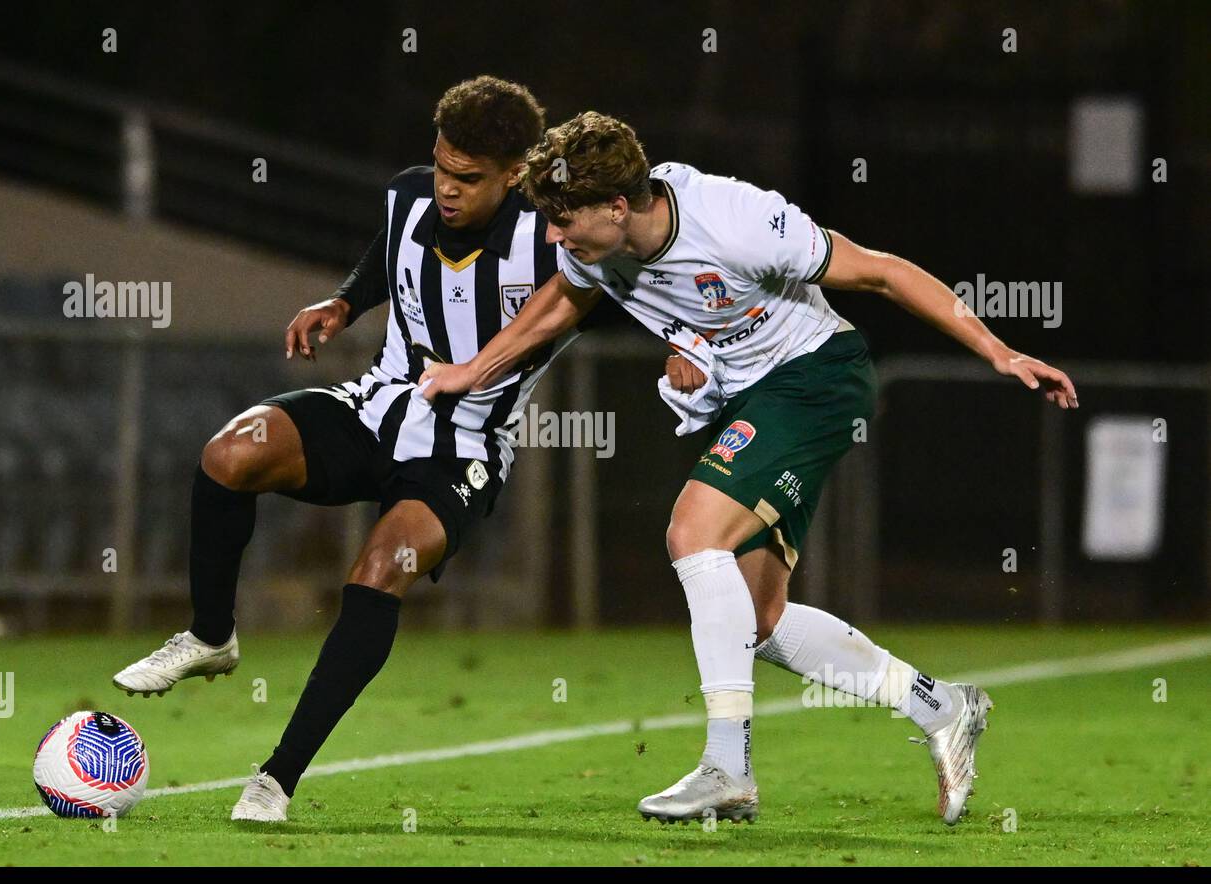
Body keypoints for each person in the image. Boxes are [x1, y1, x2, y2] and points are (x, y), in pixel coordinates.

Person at [420, 111, 1079, 825]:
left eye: (563, 221)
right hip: (757, 399)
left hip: (817, 377)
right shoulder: (593, 241)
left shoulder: (736, 219)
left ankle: (726, 769)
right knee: (757, 622)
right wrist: (472, 369)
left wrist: (999, 352)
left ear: (618, 206)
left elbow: (883, 273)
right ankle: (943, 706)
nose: (553, 236)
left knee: (692, 534)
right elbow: (563, 300)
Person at [110, 77, 614, 822]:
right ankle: (211, 635)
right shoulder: (410, 195)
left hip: (462, 447)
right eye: (441, 166)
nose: (446, 188)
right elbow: (388, 254)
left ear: (515, 175)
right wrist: (343, 301)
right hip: (375, 408)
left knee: (380, 570)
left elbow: (634, 278)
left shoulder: (553, 241)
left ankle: (276, 778)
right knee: (229, 454)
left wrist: (691, 345)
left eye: (468, 178)